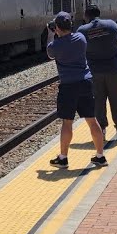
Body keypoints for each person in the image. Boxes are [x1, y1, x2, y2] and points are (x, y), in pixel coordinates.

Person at [46, 11, 107, 168]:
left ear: (57, 27)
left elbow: (50, 52)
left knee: (67, 122)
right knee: (92, 120)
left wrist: (51, 34)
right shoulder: (81, 38)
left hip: (68, 86)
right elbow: (70, 40)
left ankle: (63, 158)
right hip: (85, 82)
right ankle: (100, 156)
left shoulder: (55, 45)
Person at [78, 4, 117, 142]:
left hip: (94, 73)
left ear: (86, 16)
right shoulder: (111, 24)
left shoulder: (82, 30)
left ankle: (101, 131)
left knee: (98, 103)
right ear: (99, 13)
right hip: (114, 71)